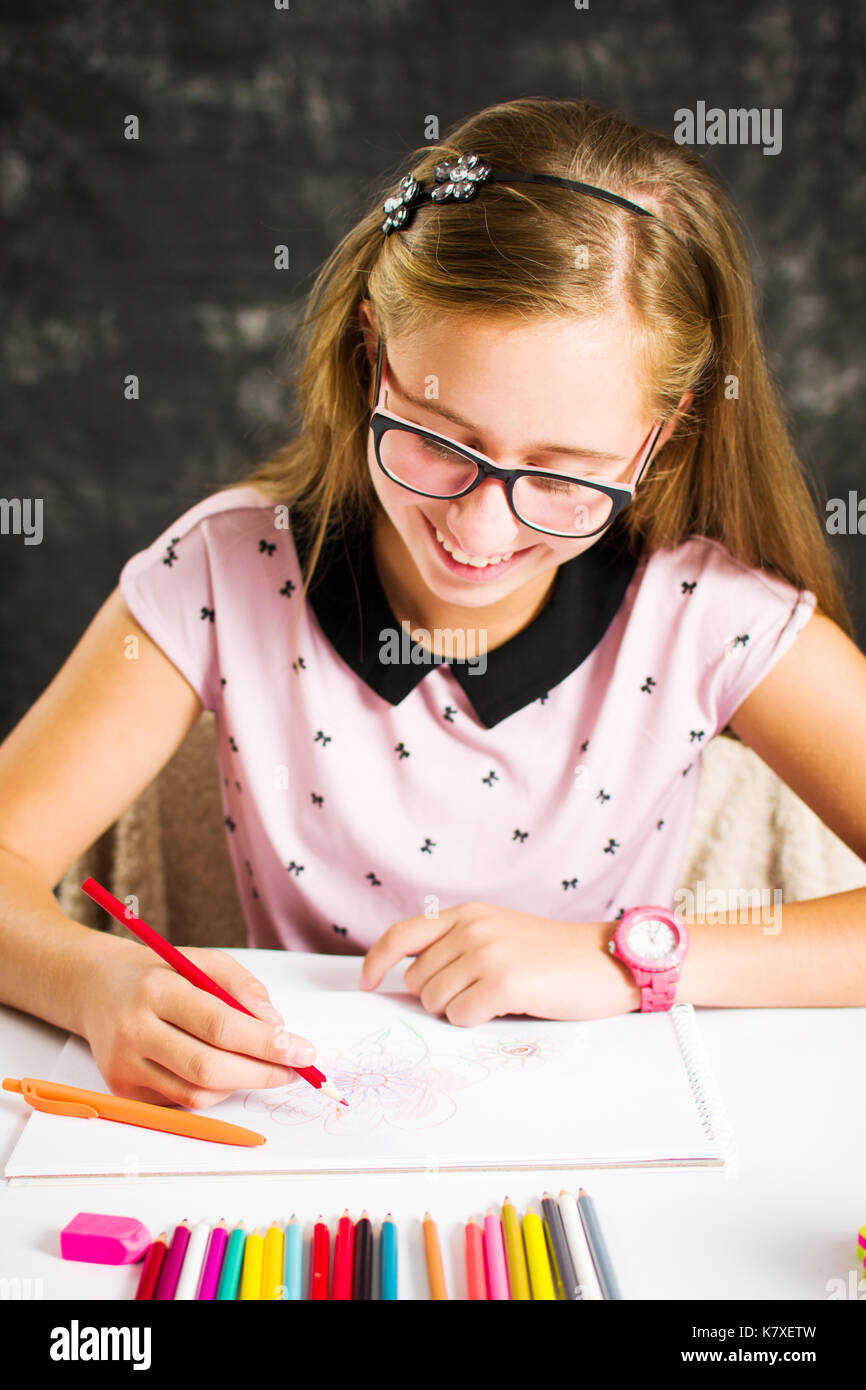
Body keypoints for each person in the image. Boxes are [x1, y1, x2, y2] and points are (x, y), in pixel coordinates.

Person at [1, 97, 864, 1112]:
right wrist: (96, 981)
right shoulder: (223, 576)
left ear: (662, 433)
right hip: (305, 1123)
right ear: (372, 353)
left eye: (562, 474)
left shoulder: (704, 613)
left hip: (598, 1125)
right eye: (438, 440)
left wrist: (623, 959)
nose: (480, 530)